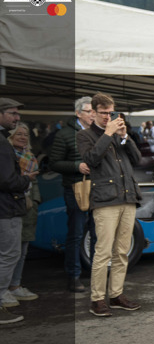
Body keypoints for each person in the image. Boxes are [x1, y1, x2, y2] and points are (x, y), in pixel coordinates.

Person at [77, 93, 143, 317]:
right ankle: (97, 299)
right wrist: (107, 133)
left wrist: (125, 136)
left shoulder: (118, 134)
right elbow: (92, 159)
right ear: (93, 113)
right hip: (104, 200)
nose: (108, 117)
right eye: (104, 113)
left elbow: (137, 159)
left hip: (127, 197)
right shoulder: (85, 135)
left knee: (122, 251)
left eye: (111, 113)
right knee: (102, 251)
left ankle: (116, 294)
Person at [50, 96, 95, 292]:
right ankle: (74, 276)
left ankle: (96, 273)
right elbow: (54, 163)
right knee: (76, 234)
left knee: (97, 233)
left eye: (95, 111)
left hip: (98, 189)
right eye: (89, 111)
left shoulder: (99, 132)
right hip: (75, 189)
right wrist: (78, 166)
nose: (93, 115)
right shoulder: (65, 134)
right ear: (78, 113)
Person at [0, 98, 34, 324]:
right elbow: (7, 181)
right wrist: (25, 180)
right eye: (12, 113)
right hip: (6, 207)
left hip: (7, 206)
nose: (17, 117)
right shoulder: (2, 144)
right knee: (9, 254)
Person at [4, 124, 41, 306]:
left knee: (22, 250)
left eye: (26, 134)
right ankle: (4, 289)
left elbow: (35, 184)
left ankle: (15, 286)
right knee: (9, 251)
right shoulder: (7, 155)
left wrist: (34, 202)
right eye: (18, 134)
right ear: (10, 136)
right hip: (11, 206)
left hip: (28, 207)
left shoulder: (29, 156)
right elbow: (9, 181)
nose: (23, 137)